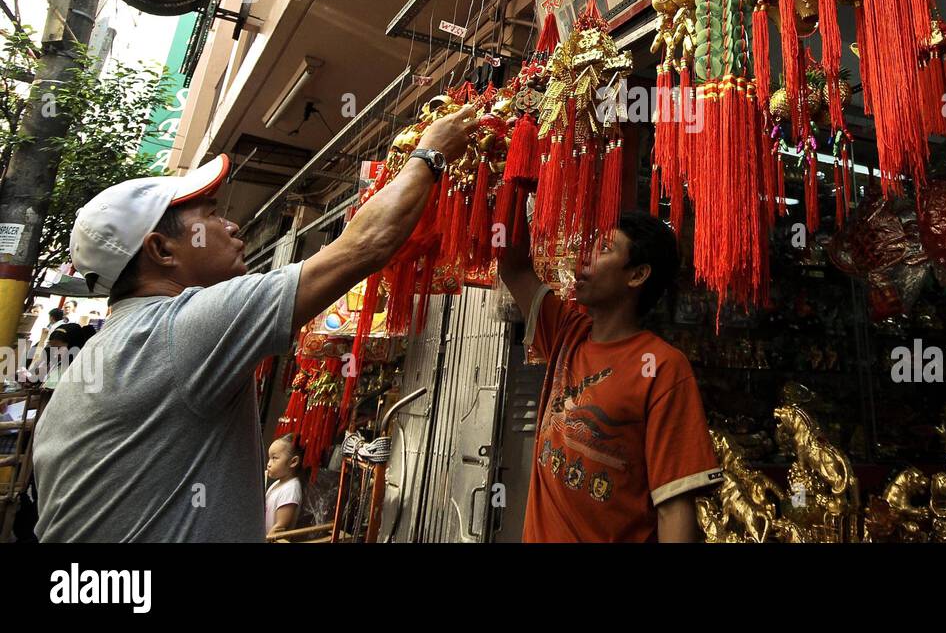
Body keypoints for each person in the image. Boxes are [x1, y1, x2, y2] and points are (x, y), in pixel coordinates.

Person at [32, 103, 480, 542]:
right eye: (209, 215)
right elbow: (364, 247)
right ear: (161, 250)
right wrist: (429, 154)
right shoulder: (179, 329)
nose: (229, 225)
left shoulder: (103, 353)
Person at [498, 210, 720, 542]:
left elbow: (673, 507)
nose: (584, 258)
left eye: (604, 249)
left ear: (638, 275)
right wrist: (516, 179)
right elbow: (513, 267)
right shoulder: (566, 333)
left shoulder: (662, 366)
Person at [264, 434, 304, 540]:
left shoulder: (291, 489)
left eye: (274, 458)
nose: (268, 464)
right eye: (269, 458)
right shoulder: (277, 483)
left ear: (293, 462)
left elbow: (280, 527)